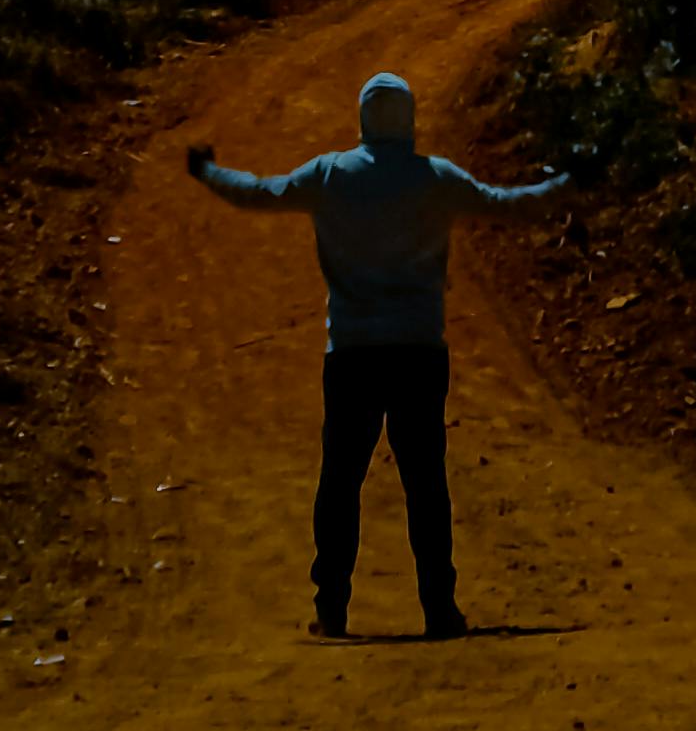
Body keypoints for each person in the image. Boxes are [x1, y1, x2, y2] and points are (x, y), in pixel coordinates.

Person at [186, 71, 564, 639]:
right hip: (418, 350)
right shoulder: (434, 178)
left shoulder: (330, 175)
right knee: (425, 484)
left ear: (363, 118)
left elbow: (259, 194)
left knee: (340, 481)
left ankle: (331, 608)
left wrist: (208, 172)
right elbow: (506, 205)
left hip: (353, 353)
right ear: (409, 118)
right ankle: (439, 607)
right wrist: (568, 183)